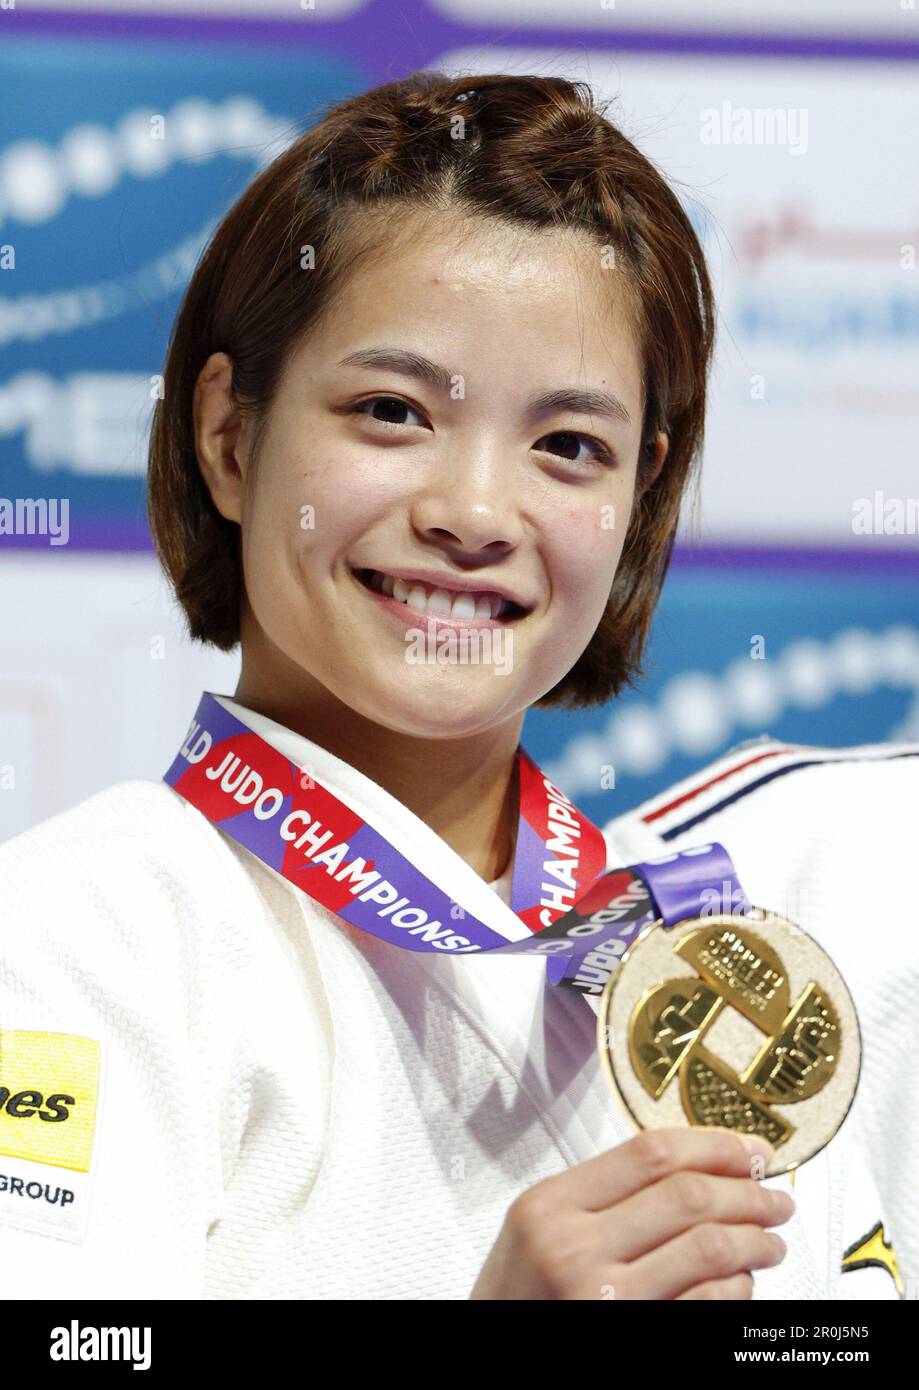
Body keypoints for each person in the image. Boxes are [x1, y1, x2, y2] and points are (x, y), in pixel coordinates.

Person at [0, 71, 913, 1301]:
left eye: (567, 447)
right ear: (229, 438)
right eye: (392, 409)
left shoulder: (713, 965)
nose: (476, 513)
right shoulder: (78, 932)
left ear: (637, 495)